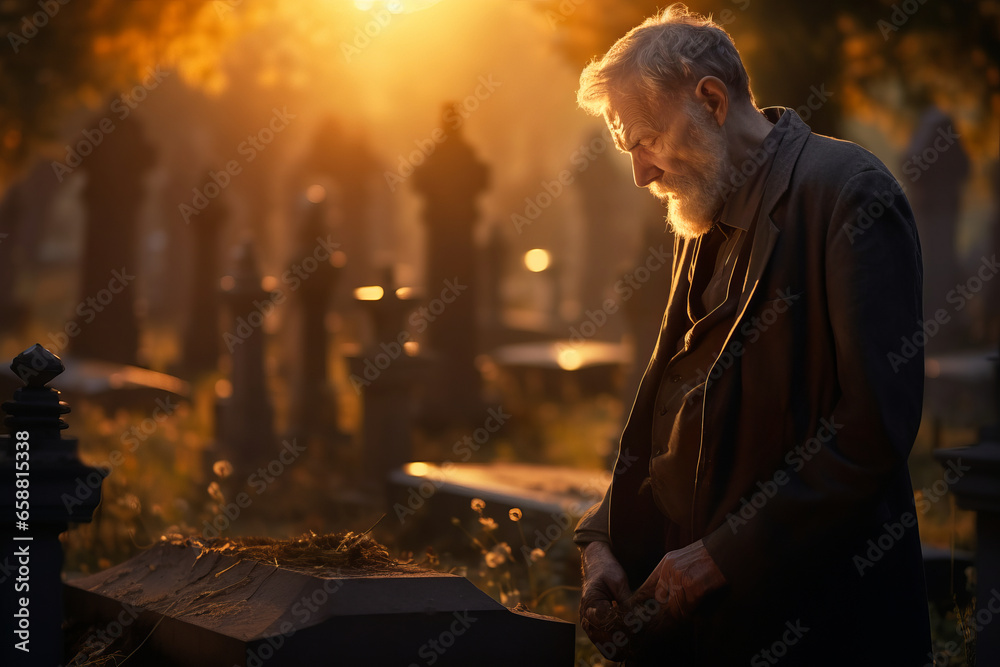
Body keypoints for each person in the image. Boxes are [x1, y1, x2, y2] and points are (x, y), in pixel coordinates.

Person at [573, 5, 930, 665]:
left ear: (709, 99)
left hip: (823, 623)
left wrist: (723, 554)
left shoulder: (849, 195)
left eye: (644, 139)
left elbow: (872, 428)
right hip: (709, 623)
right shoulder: (703, 207)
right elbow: (668, 398)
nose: (641, 174)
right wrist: (602, 540)